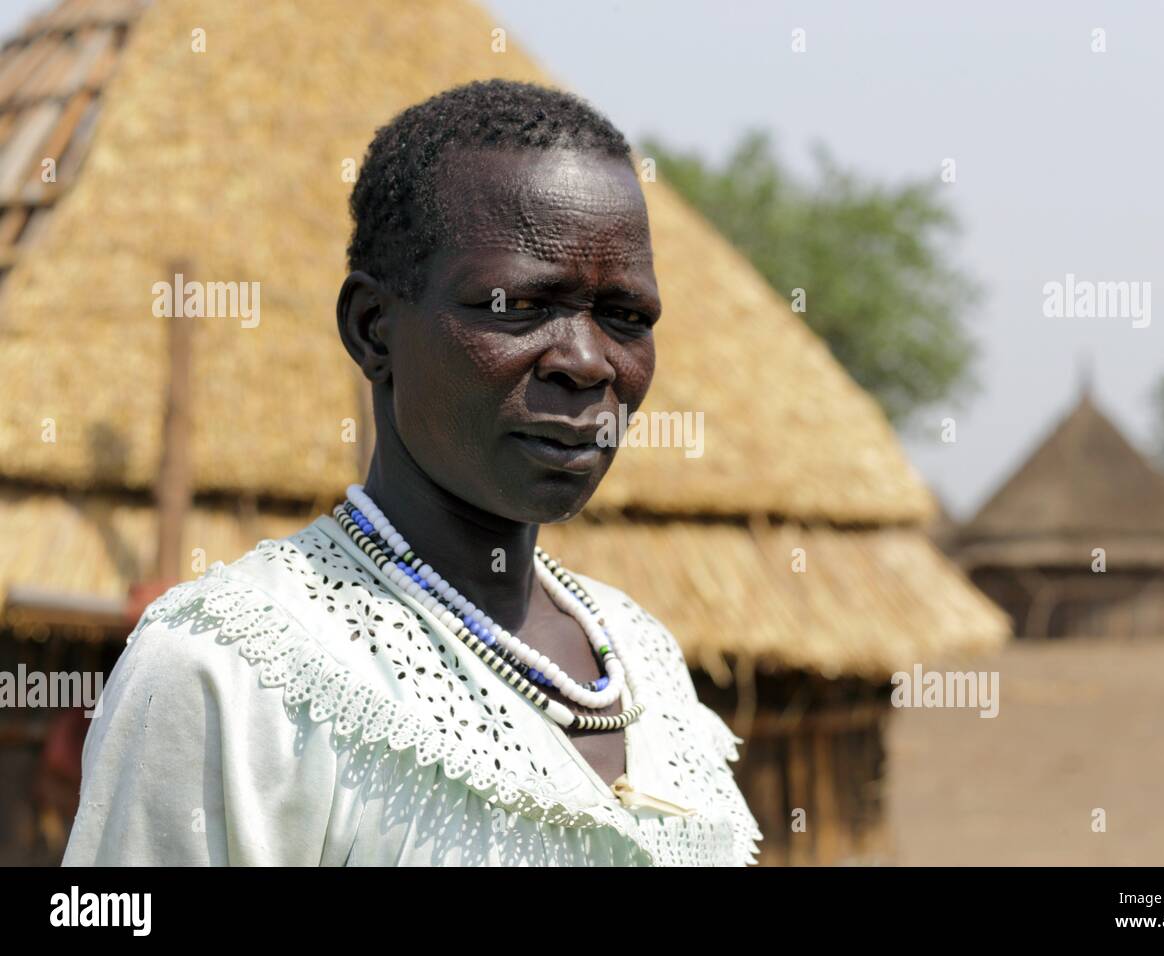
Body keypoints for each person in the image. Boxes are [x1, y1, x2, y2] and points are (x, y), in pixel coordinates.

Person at [63, 79, 762, 866]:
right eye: (520, 307)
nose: (587, 361)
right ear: (374, 331)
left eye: (626, 317)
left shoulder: (644, 660)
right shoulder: (231, 671)